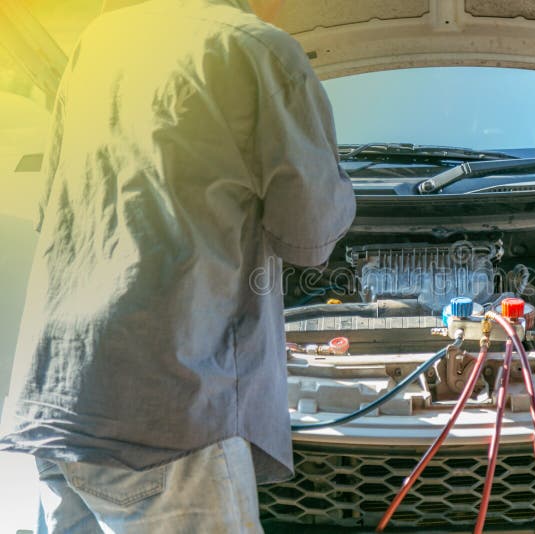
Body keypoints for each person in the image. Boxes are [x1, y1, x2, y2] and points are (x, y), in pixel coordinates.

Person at [0, 0, 355, 531]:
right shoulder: (258, 50)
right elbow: (311, 237)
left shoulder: (100, 42)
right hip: (164, 415)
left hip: (56, 398)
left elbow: (54, 206)